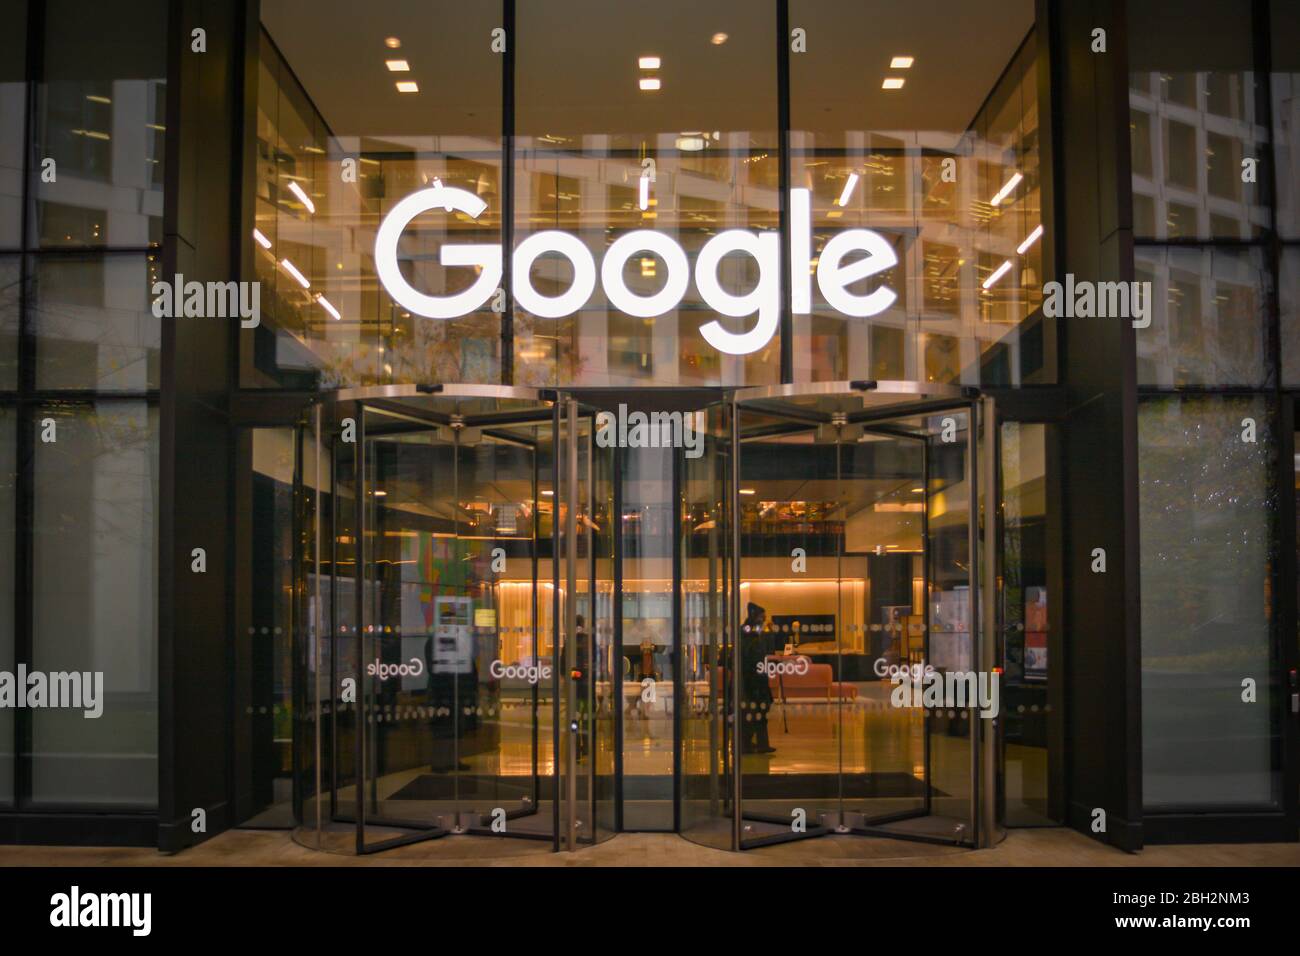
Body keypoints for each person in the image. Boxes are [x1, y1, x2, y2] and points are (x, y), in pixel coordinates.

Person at [741, 602, 776, 754]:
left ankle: (755, 743)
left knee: (758, 711)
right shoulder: (749, 634)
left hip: (756, 678)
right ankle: (753, 743)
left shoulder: (753, 632)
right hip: (752, 679)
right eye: (762, 617)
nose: (764, 620)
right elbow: (752, 656)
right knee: (757, 712)